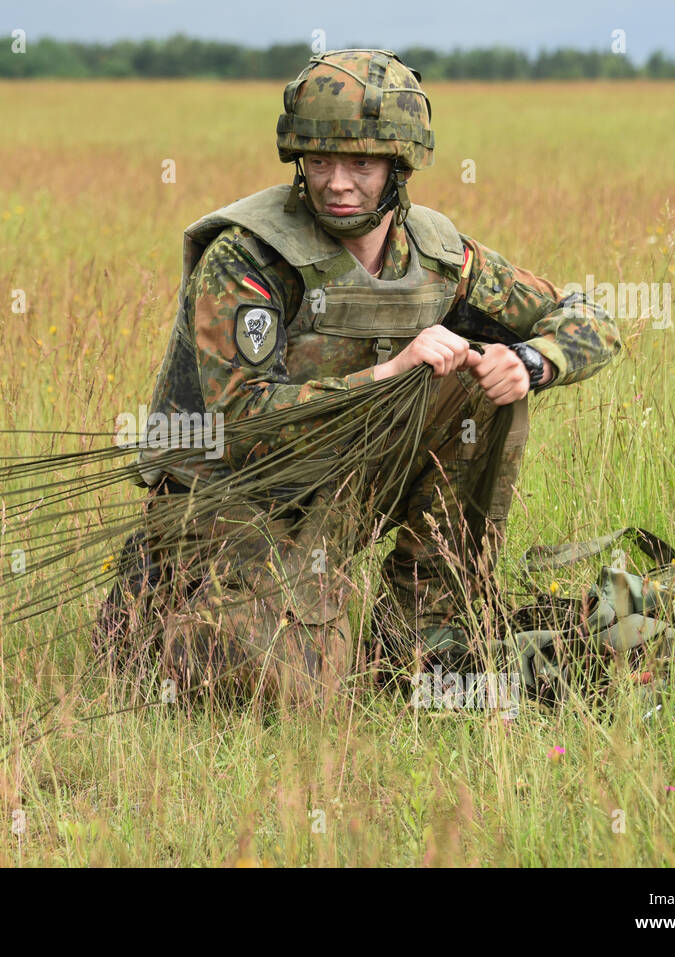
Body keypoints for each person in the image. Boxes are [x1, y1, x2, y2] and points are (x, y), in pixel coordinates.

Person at [98, 48, 621, 704]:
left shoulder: (436, 252)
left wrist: (531, 362)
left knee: (485, 389)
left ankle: (426, 634)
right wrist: (390, 372)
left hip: (342, 490)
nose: (337, 182)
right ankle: (156, 621)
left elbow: (586, 316)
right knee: (294, 691)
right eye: (319, 161)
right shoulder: (248, 257)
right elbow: (242, 425)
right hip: (231, 500)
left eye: (361, 164)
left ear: (399, 168)